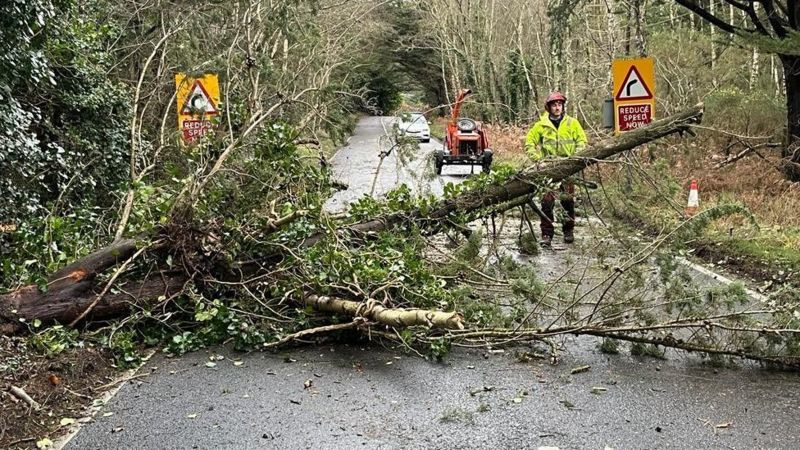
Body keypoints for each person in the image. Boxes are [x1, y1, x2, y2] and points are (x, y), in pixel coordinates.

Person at [524, 91, 587, 246]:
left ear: (563, 106)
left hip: (567, 167)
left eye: (560, 104)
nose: (557, 107)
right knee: (546, 203)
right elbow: (529, 143)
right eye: (554, 105)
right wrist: (538, 160)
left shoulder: (572, 123)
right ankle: (546, 234)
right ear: (549, 107)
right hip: (549, 168)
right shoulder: (541, 125)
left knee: (567, 201)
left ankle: (568, 231)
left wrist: (575, 158)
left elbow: (582, 141)